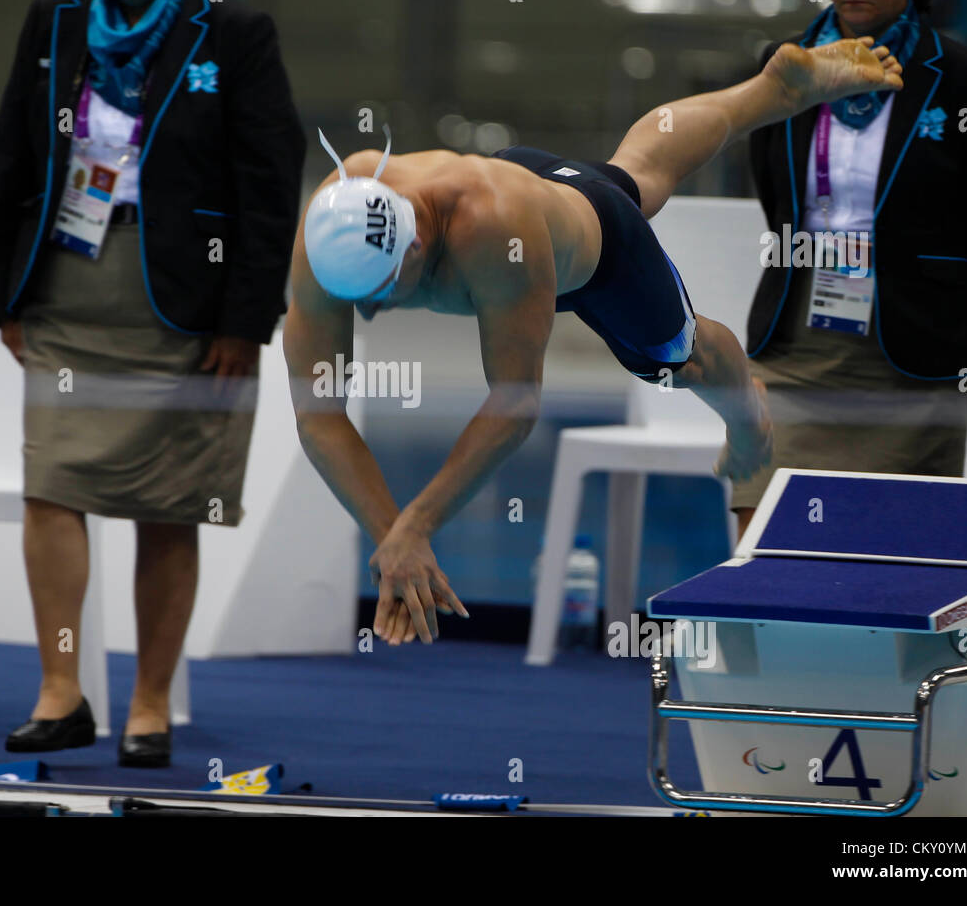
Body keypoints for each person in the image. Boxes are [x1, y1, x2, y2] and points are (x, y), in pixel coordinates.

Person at [285, 38, 904, 646]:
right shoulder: (331, 226)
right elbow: (318, 417)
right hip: (534, 185)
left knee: (678, 358)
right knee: (639, 173)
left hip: (597, 249)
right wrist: (397, 543)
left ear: (415, 244)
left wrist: (417, 524)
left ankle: (748, 413)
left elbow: (513, 407)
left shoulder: (496, 239)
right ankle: (773, 91)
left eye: (381, 293)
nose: (363, 313)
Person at [0, 0, 304, 766]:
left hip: (188, 306)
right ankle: (61, 692)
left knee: (169, 504)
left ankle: (149, 704)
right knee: (50, 487)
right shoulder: (55, 18)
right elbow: (12, 153)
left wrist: (245, 317)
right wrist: (2, 294)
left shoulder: (235, 33)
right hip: (67, 287)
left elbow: (269, 182)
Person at [733, 0, 967, 535]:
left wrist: (944, 305)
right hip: (796, 343)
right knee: (762, 542)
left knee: (904, 561)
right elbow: (776, 196)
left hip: (918, 351)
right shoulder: (782, 67)